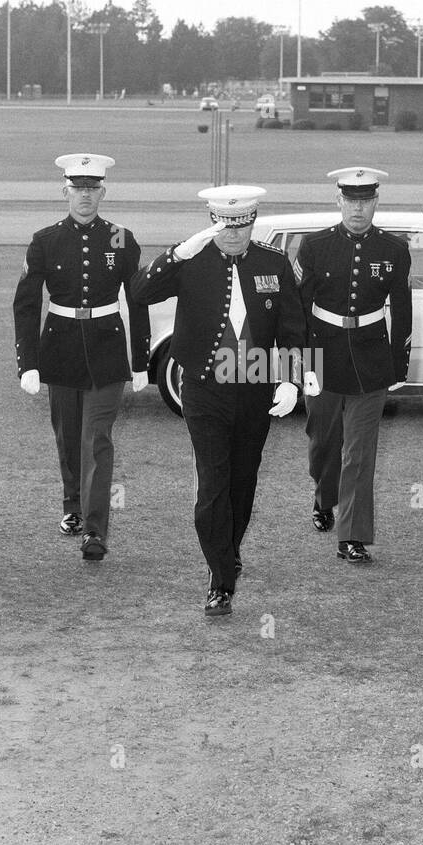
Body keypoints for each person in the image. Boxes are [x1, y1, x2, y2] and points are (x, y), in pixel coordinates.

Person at [132, 186, 304, 615]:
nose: (232, 234)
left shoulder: (273, 262)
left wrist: (291, 380)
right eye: (224, 226)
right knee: (213, 482)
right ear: (212, 221)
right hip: (205, 389)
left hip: (256, 388)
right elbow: (140, 291)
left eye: (241, 225)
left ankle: (228, 550)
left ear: (252, 222)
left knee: (242, 483)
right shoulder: (193, 259)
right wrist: (177, 253)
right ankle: (220, 577)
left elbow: (293, 327)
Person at [13, 152, 150, 560]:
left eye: (92, 189)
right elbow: (25, 303)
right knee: (68, 436)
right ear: (65, 191)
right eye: (78, 189)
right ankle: (72, 505)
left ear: (103, 192)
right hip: (61, 345)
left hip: (107, 348)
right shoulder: (45, 240)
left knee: (97, 439)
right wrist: (29, 362)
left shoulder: (121, 238)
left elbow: (139, 300)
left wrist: (140, 359)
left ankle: (95, 530)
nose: (85, 196)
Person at [298, 167, 412, 565]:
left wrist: (400, 363)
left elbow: (402, 306)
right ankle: (324, 497)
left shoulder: (394, 250)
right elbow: (297, 309)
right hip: (322, 356)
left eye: (366, 200)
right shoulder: (314, 246)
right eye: (351, 200)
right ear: (339, 201)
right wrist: (298, 360)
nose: (358, 208)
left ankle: (352, 535)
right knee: (323, 442)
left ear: (376, 202)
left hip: (371, 357)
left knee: (360, 452)